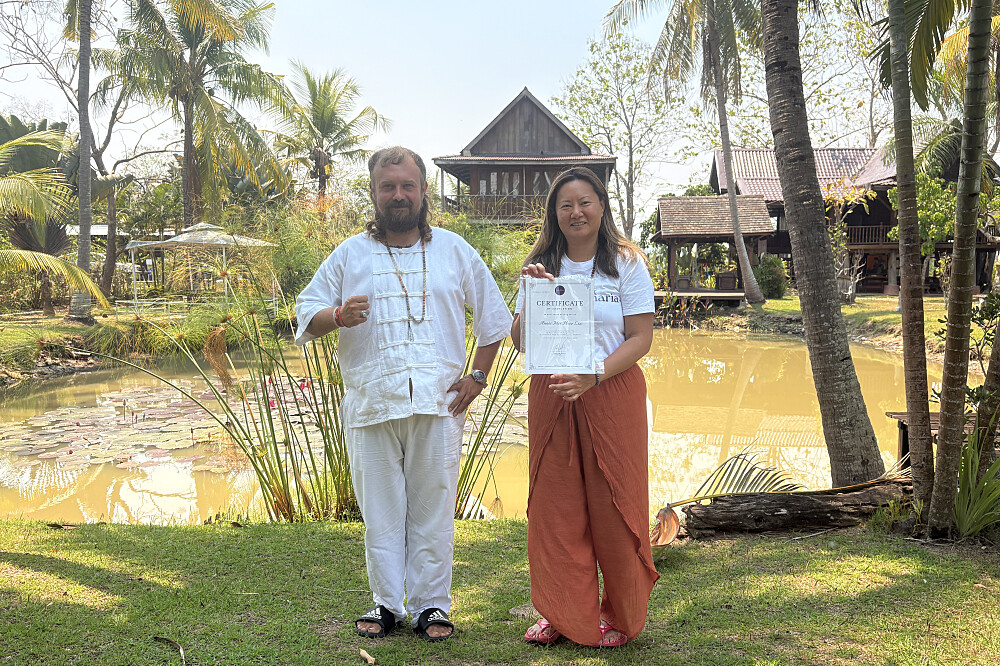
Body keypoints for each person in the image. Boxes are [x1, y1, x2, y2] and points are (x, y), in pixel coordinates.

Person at [294, 146, 512, 642]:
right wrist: (338, 316)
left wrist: (477, 377)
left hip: (439, 403)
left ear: (422, 191)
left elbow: (494, 319)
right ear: (373, 194)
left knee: (433, 506)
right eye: (387, 187)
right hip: (371, 403)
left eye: (406, 186)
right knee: (381, 511)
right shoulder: (349, 254)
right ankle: (387, 604)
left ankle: (433, 605)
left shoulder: (455, 250)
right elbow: (306, 310)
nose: (398, 195)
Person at [511, 167, 659, 648]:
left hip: (610, 391)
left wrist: (594, 374)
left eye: (585, 202)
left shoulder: (627, 263)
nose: (576, 212)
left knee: (616, 504)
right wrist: (533, 296)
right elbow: (520, 341)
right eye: (565, 205)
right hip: (553, 392)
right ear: (555, 214)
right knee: (556, 508)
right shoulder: (541, 263)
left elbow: (641, 338)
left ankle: (619, 615)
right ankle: (561, 612)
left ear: (602, 206)